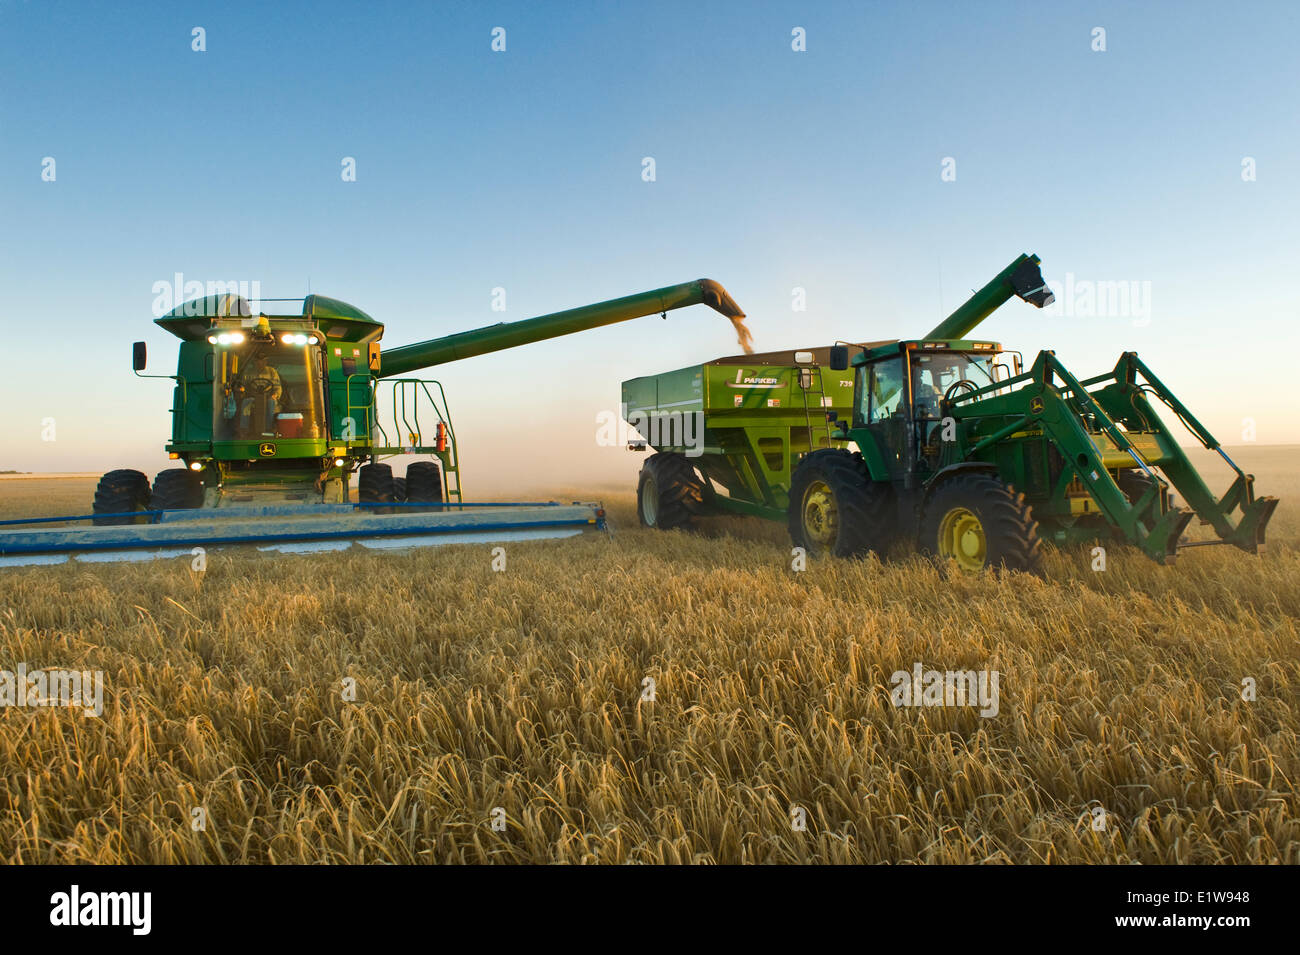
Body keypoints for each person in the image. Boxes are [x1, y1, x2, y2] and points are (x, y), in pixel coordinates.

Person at [239, 354, 282, 436]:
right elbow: (243, 386)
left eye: (262, 361)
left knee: (271, 403)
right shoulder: (248, 372)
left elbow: (278, 387)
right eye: (257, 361)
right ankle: (244, 429)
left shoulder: (272, 372)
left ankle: (269, 428)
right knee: (245, 402)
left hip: (268, 397)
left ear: (266, 362)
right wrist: (241, 390)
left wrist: (275, 395)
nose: (260, 363)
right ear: (254, 362)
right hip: (253, 397)